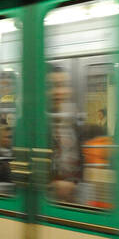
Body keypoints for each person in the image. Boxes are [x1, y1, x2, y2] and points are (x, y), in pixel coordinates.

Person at [48, 68, 83, 202]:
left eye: (63, 85)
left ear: (70, 90)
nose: (58, 91)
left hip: (74, 200)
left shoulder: (77, 123)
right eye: (52, 86)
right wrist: (53, 185)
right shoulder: (31, 123)